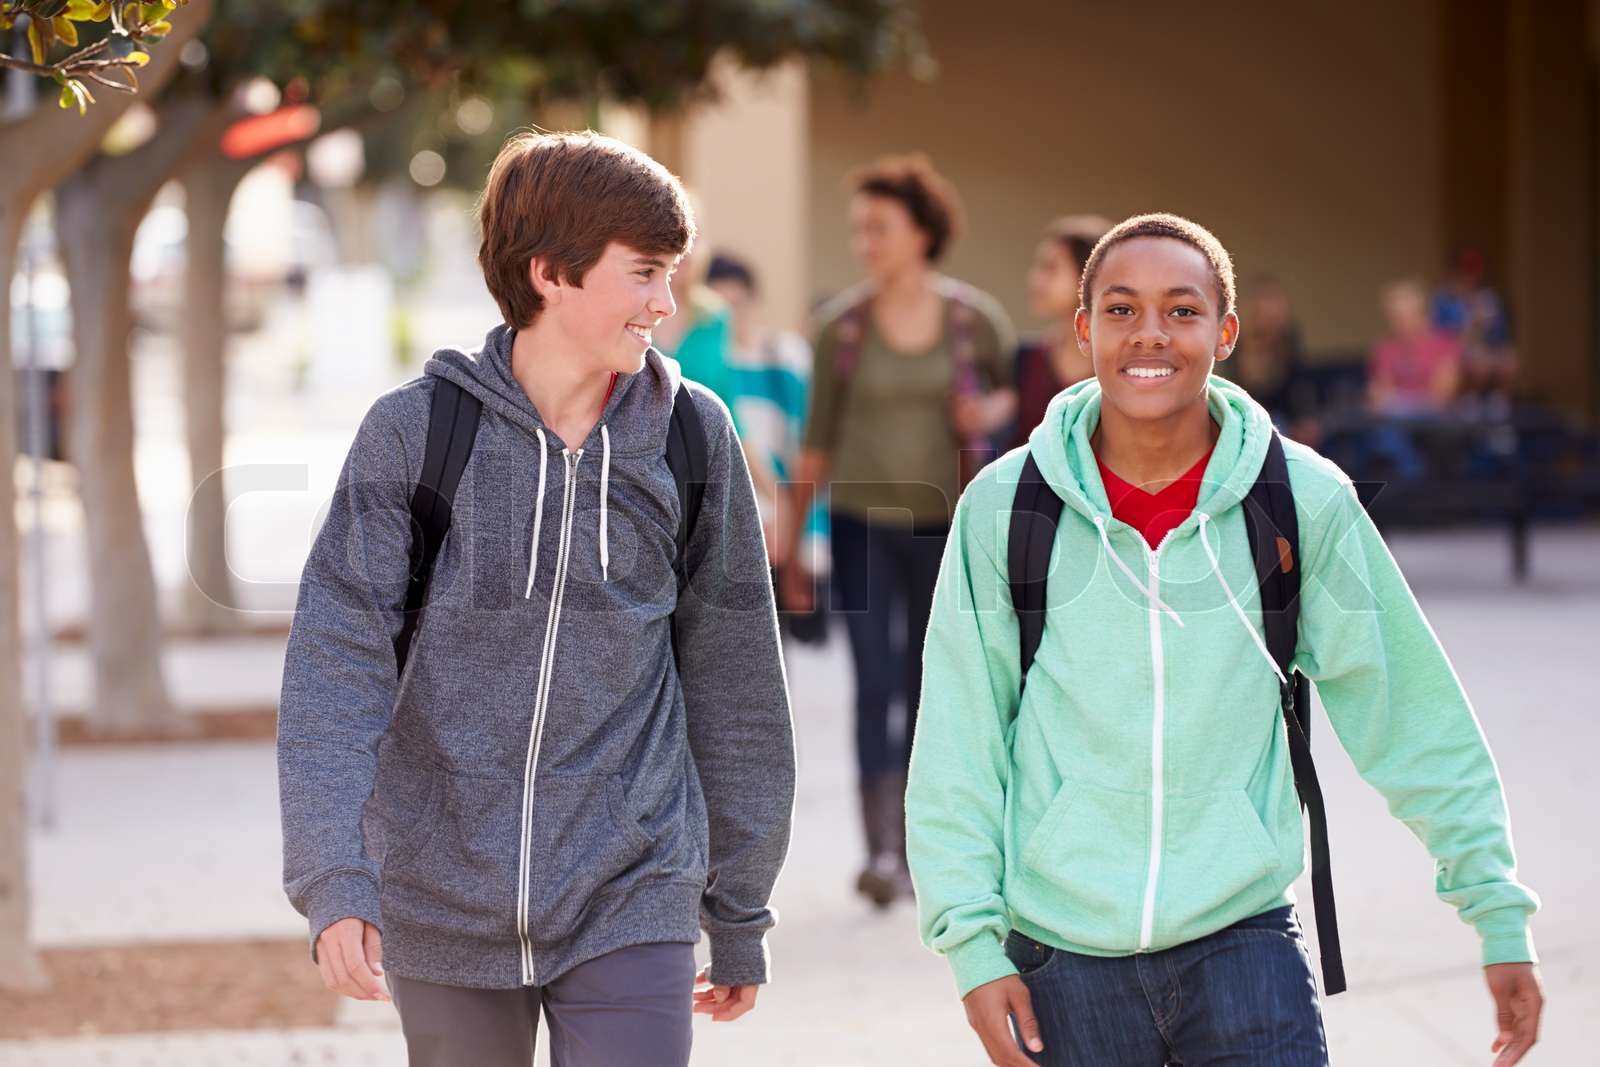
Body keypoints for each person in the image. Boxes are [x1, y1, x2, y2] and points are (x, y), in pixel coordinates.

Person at [906, 213, 1542, 1067]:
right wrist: (972, 945)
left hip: (1244, 938)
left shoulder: (1301, 500)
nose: (1151, 334)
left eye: (1182, 310)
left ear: (1226, 331)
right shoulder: (1005, 506)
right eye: (1122, 310)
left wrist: (1496, 907)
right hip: (1062, 950)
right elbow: (959, 740)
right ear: (1084, 328)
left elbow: (1410, 711)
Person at [277, 130, 796, 1067]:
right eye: (644, 273)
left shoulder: (689, 435)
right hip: (441, 891)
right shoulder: (417, 434)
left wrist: (740, 904)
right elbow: (336, 665)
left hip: (632, 886)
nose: (666, 303)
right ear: (551, 272)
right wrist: (334, 876)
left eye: (670, 274)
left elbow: (738, 683)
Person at [780, 153, 1015, 908]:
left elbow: (1016, 399)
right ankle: (878, 850)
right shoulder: (841, 328)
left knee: (926, 683)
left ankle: (918, 847)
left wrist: (990, 411)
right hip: (858, 525)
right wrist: (789, 548)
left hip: (943, 526)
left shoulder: (974, 321)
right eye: (860, 229)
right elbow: (815, 441)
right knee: (873, 680)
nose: (866, 243)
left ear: (922, 232)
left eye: (879, 227)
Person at [1010, 214, 1110, 449]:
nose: (1035, 279)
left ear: (1088, 276)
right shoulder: (1024, 360)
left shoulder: (1120, 366)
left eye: (1051, 268)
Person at [1223, 274, 1319, 443]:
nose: (1271, 321)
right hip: (1251, 417)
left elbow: (1300, 390)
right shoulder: (1240, 343)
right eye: (1265, 314)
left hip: (1287, 420)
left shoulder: (1289, 343)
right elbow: (1252, 385)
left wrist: (1305, 421)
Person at [1368, 278, 1462, 415]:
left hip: (1435, 422)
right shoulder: (1384, 349)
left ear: (1422, 314)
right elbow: (1379, 393)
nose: (1399, 324)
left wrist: (1398, 401)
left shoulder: (1445, 345)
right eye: (1394, 317)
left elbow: (1442, 396)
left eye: (1405, 317)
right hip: (1393, 421)